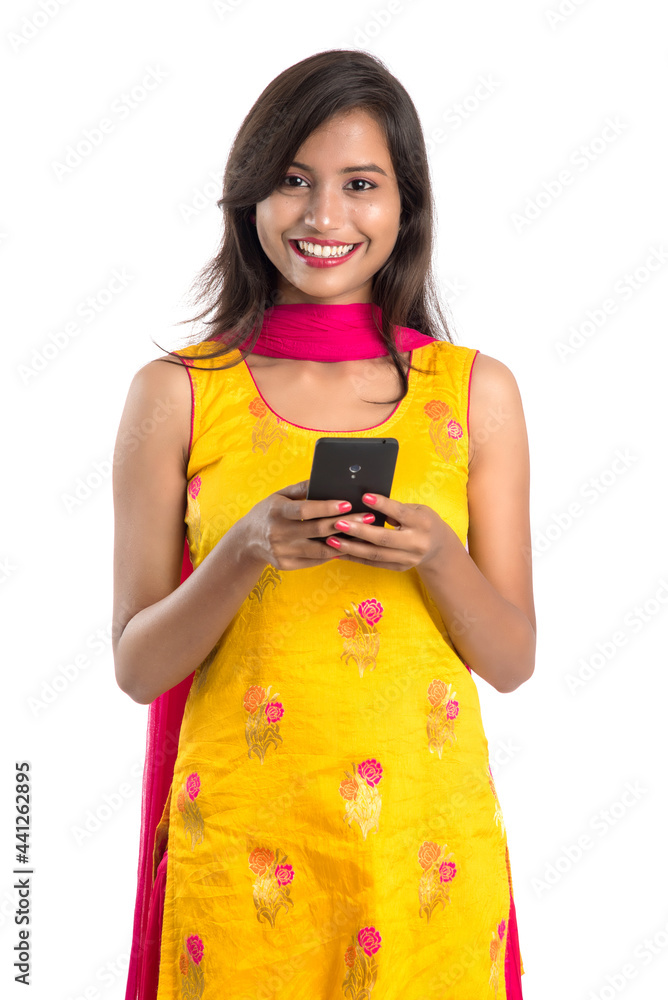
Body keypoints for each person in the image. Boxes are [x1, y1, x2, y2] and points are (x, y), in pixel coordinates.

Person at [113, 48, 535, 1000]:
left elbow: (512, 661)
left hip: (424, 857)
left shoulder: (475, 392)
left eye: (360, 184)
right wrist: (242, 551)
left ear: (406, 204)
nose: (323, 217)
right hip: (245, 855)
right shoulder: (178, 394)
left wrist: (437, 555)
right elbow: (138, 668)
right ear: (250, 197)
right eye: (294, 180)